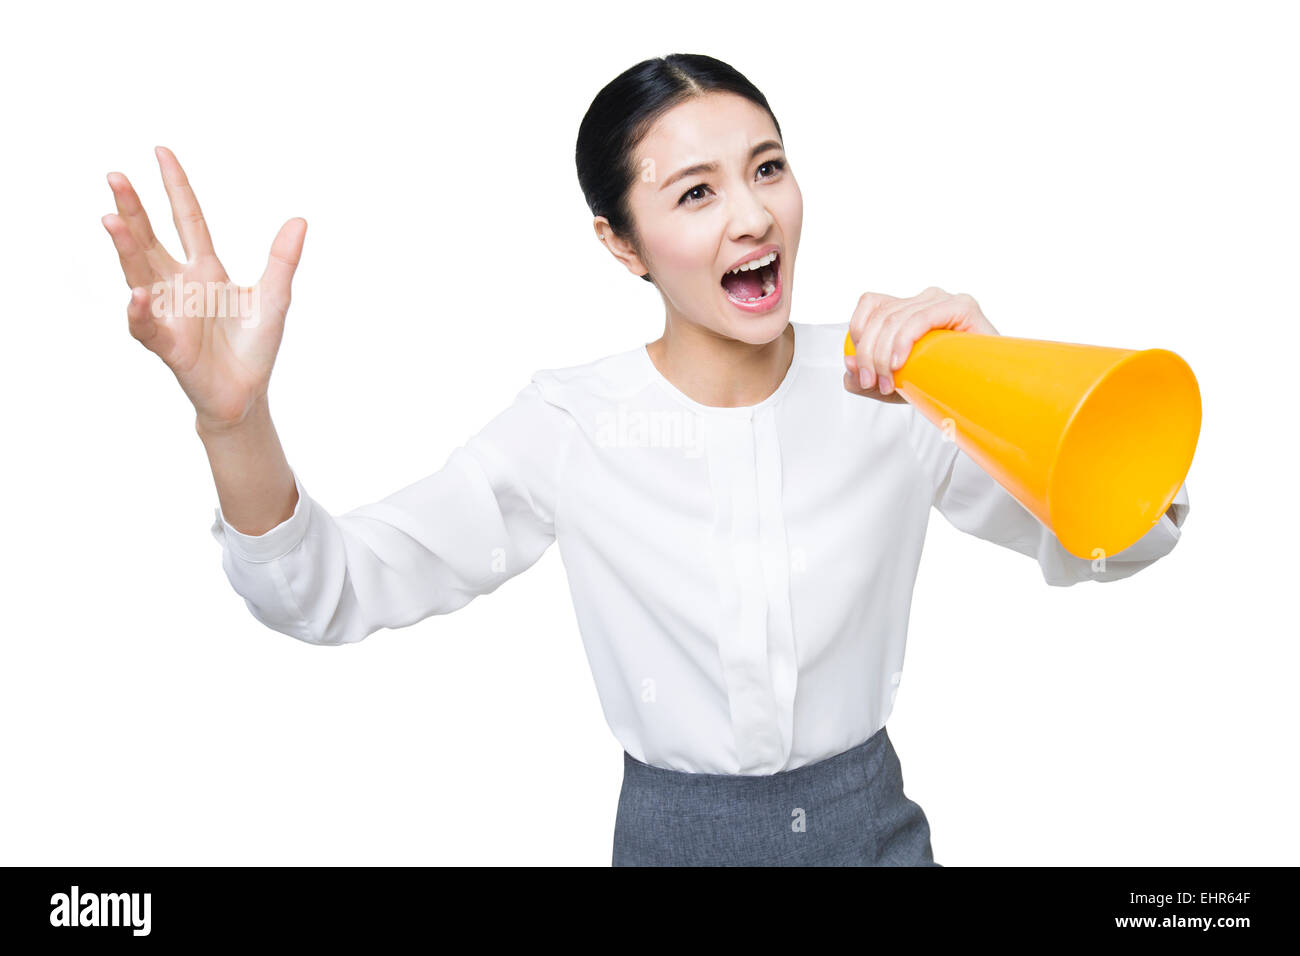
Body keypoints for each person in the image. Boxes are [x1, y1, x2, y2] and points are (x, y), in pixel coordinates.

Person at [101, 53, 1189, 867]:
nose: (755, 215)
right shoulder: (570, 423)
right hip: (671, 841)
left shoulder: (896, 390)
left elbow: (1122, 538)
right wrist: (232, 418)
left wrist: (1003, 385)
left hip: (874, 836)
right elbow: (324, 591)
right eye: (696, 192)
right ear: (619, 244)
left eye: (767, 168)